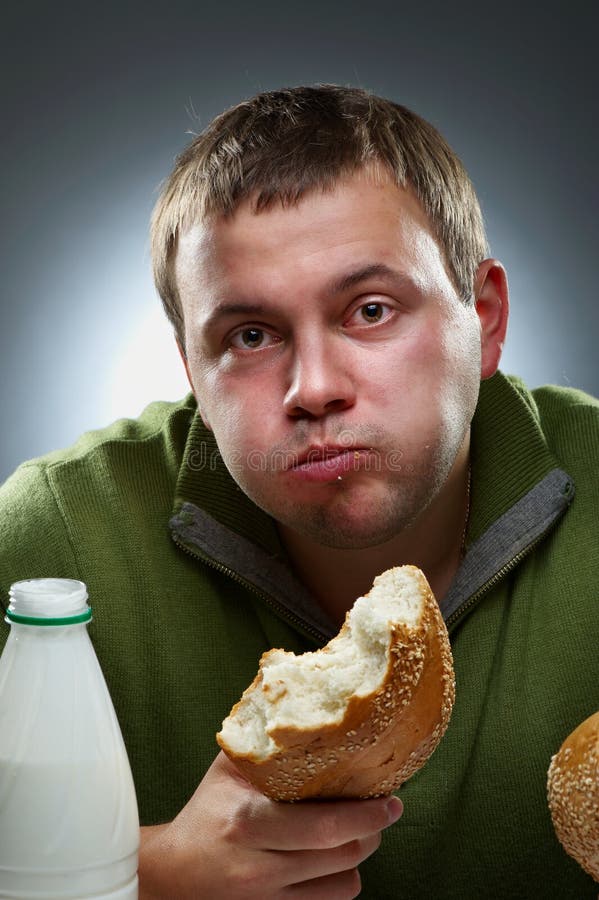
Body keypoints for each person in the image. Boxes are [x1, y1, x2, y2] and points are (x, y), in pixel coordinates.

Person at [0, 85, 597, 898]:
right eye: (249, 335)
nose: (313, 388)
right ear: (189, 371)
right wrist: (147, 874)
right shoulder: (56, 532)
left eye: (370, 310)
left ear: (484, 319)